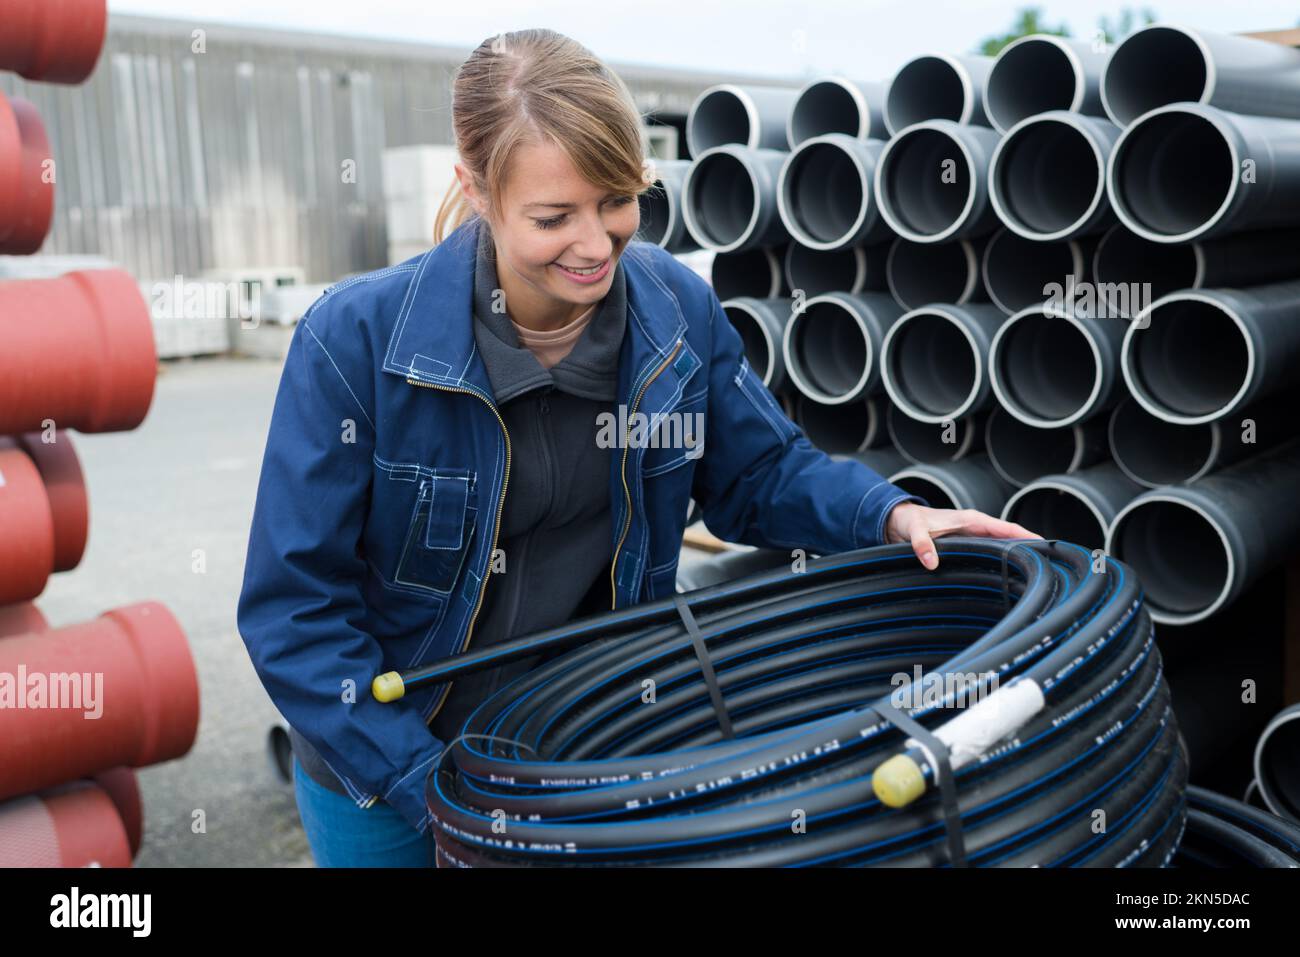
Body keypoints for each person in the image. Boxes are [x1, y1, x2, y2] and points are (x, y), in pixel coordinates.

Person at [236, 28, 1039, 868]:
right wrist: (423, 785)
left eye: (617, 200)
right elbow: (294, 609)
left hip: (588, 744)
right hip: (386, 768)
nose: (595, 246)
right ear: (474, 190)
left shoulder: (675, 312)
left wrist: (891, 512)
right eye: (553, 217)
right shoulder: (353, 340)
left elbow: (760, 472)